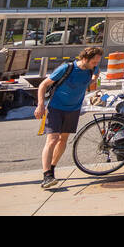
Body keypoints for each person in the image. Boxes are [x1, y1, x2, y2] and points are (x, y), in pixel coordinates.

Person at [34, 46, 102, 189]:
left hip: (74, 109)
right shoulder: (67, 68)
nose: (96, 65)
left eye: (97, 62)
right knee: (52, 140)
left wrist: (95, 79)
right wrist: (40, 105)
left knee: (62, 140)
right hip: (56, 108)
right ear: (85, 58)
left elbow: (93, 78)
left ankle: (51, 168)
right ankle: (46, 176)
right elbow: (43, 85)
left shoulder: (92, 69)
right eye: (94, 62)